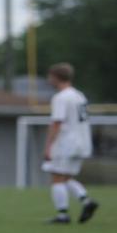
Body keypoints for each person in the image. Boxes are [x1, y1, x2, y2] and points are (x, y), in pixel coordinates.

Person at [41, 63, 97, 224]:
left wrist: (48, 146)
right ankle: (86, 201)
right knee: (66, 177)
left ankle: (62, 215)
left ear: (56, 77)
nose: (48, 80)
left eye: (50, 76)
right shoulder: (79, 95)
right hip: (82, 142)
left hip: (67, 143)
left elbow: (57, 123)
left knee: (57, 177)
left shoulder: (61, 97)